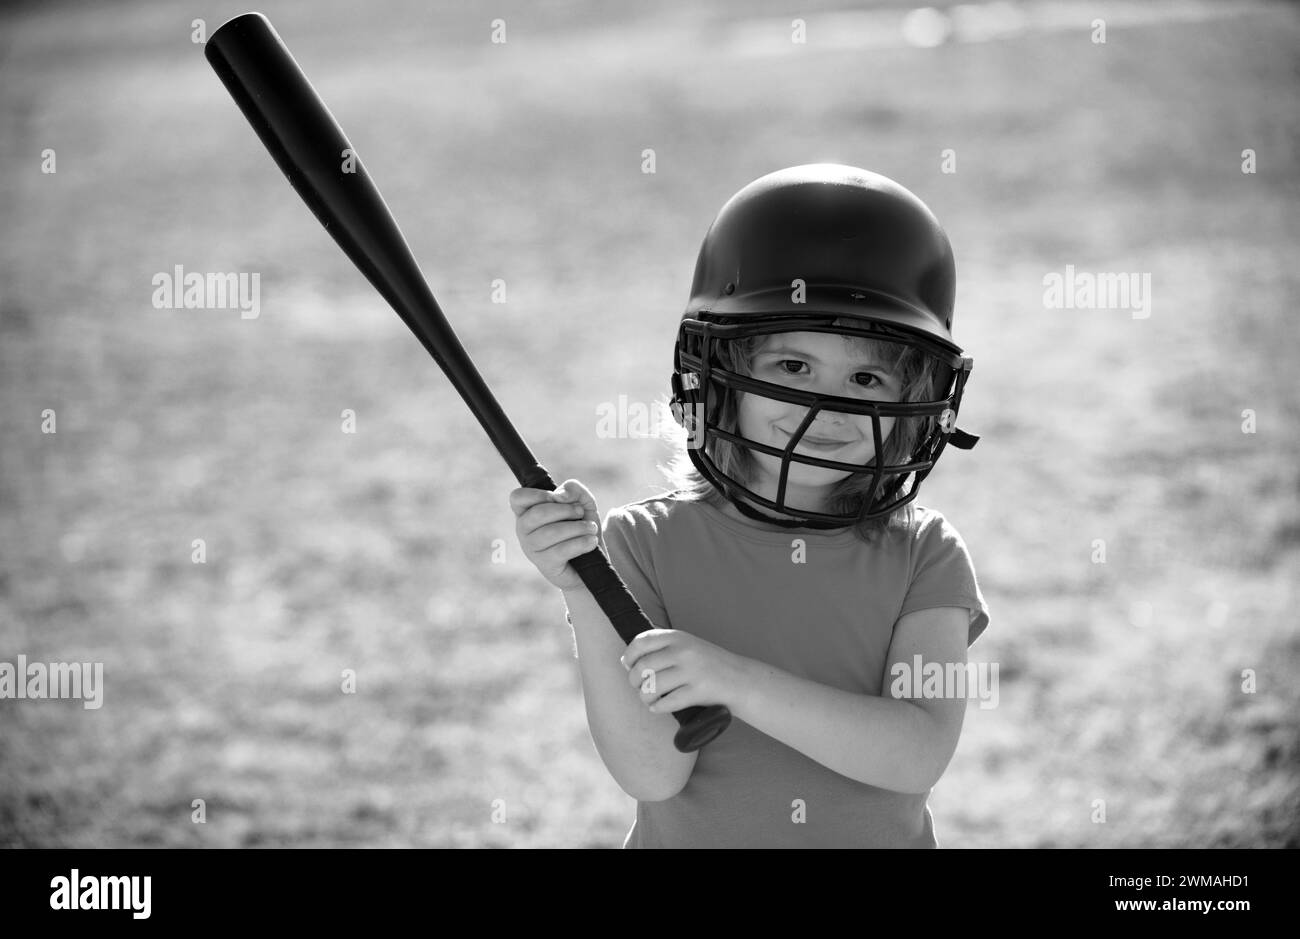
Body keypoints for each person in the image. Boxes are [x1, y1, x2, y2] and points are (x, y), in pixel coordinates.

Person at [509, 164, 990, 847]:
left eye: (866, 376)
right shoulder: (641, 544)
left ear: (915, 400)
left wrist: (736, 680)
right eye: (793, 367)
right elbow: (651, 773)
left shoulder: (924, 554)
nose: (830, 405)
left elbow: (916, 754)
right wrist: (585, 585)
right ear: (717, 375)